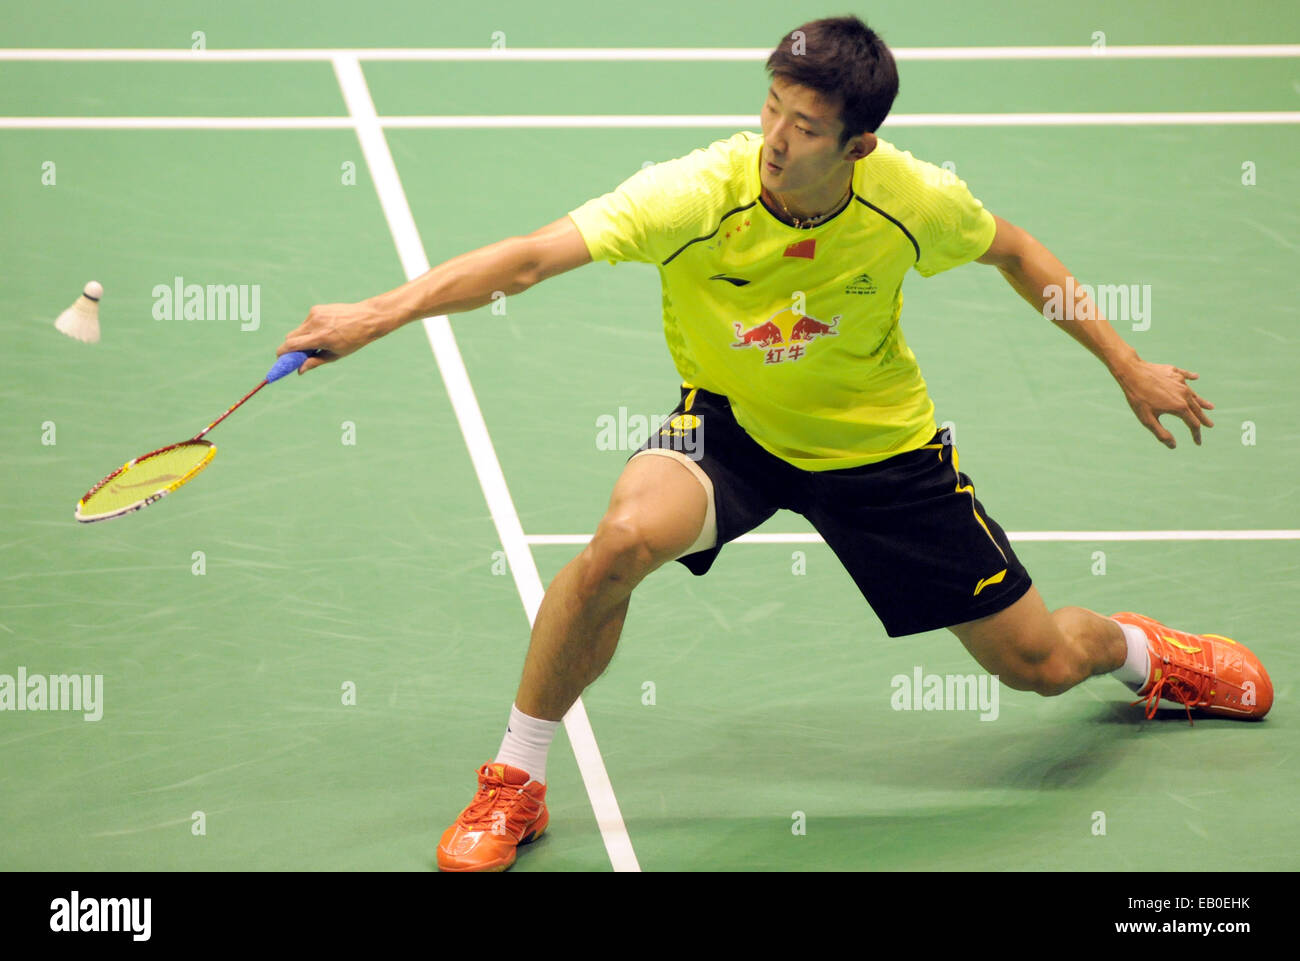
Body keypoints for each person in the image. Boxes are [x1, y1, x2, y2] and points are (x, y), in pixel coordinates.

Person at [276, 16, 1274, 873]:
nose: (774, 140)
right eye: (769, 110)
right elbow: (535, 257)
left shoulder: (910, 200)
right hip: (735, 426)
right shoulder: (695, 193)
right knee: (620, 541)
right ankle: (516, 780)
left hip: (882, 455)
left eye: (803, 127)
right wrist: (382, 310)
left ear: (860, 144)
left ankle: (1146, 653)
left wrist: (1125, 364)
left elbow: (1013, 249)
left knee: (1041, 664)